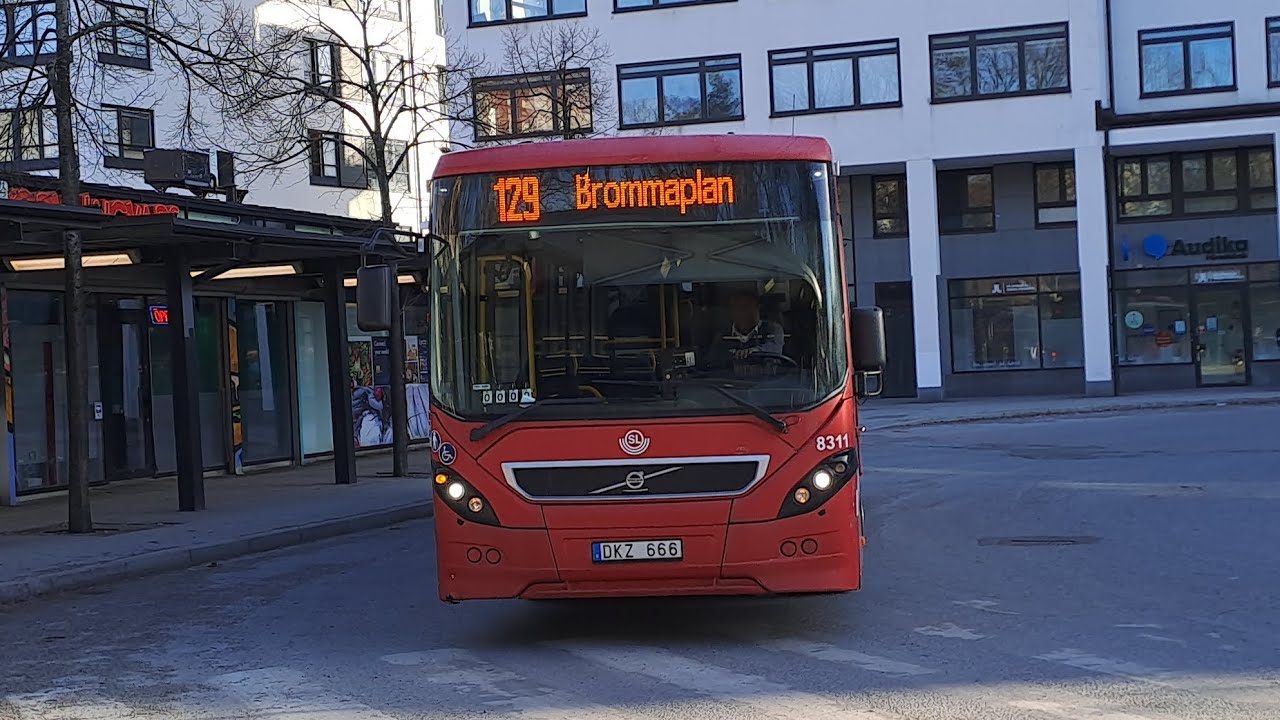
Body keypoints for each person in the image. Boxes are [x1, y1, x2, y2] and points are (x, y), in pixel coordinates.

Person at [708, 289, 784, 369]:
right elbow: (712, 359)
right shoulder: (723, 335)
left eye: (746, 306)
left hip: (768, 379)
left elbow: (773, 349)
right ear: (730, 311)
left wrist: (753, 352)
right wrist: (734, 354)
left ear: (758, 308)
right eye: (736, 307)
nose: (742, 312)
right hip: (730, 380)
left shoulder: (773, 329)